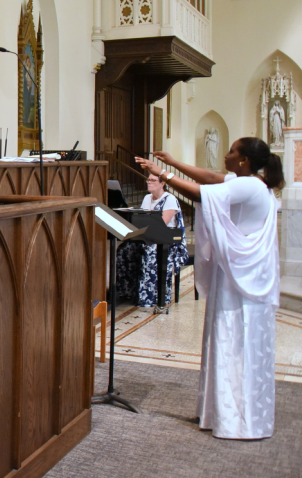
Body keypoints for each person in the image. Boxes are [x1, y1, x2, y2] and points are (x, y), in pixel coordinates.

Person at [136, 138, 284, 440]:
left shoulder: (251, 186)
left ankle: (236, 418)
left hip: (241, 281)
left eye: (231, 151)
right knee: (227, 336)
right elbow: (213, 178)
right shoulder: (249, 180)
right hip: (239, 274)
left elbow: (203, 193)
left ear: (244, 161)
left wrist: (162, 175)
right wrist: (173, 163)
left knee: (234, 337)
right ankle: (220, 411)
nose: (226, 156)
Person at [115, 173, 188, 307]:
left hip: (166, 240)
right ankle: (129, 291)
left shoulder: (170, 199)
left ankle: (149, 296)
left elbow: (162, 223)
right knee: (124, 250)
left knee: (149, 252)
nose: (149, 182)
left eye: (153, 180)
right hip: (149, 236)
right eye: (148, 180)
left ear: (162, 183)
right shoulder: (147, 198)